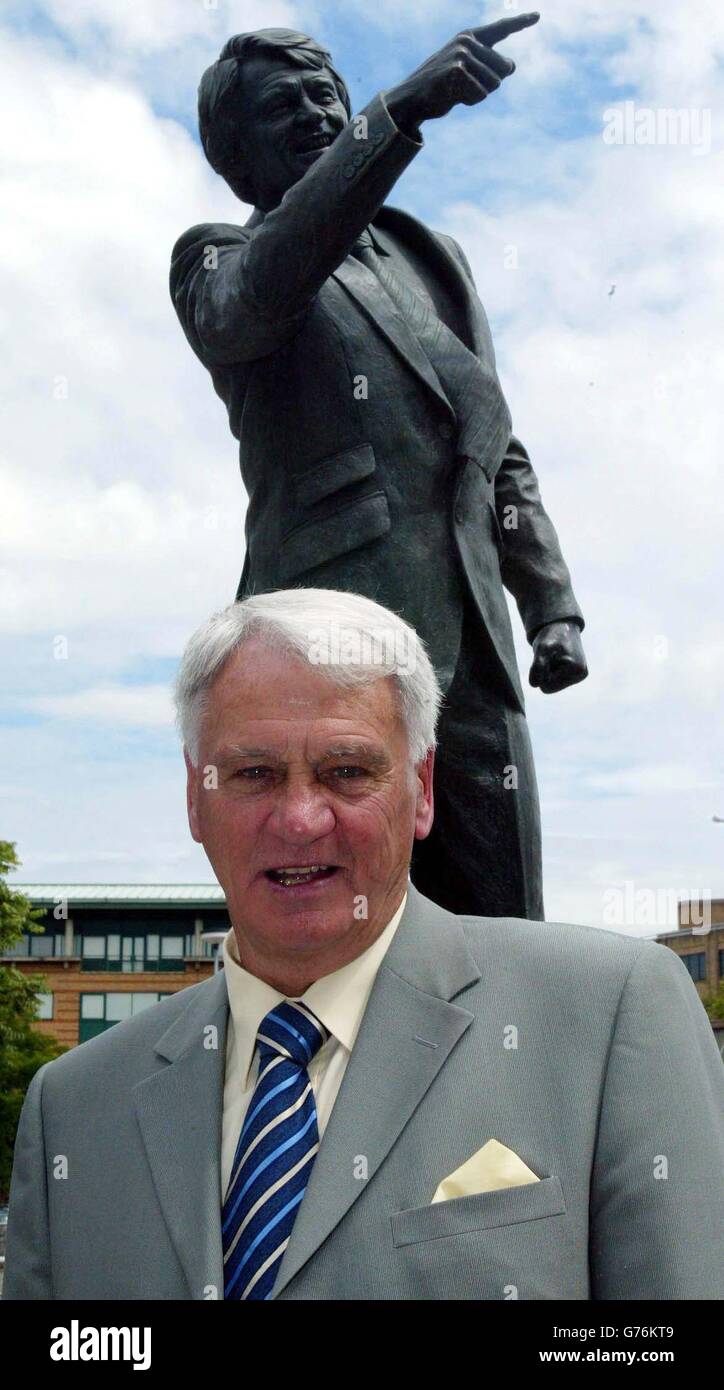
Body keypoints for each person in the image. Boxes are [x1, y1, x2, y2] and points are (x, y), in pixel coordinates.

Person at [5, 589, 722, 1301]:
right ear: (196, 795)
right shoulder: (71, 1110)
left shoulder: (610, 1019)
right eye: (254, 773)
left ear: (423, 788)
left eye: (346, 771)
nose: (300, 818)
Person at [170, 19, 589, 922]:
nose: (320, 111)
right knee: (339, 918)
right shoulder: (218, 258)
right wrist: (397, 114)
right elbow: (256, 303)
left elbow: (492, 441)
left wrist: (549, 603)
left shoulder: (428, 258)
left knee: (501, 924)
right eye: (286, 106)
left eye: (331, 94)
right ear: (237, 156)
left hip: (473, 647)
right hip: (331, 644)